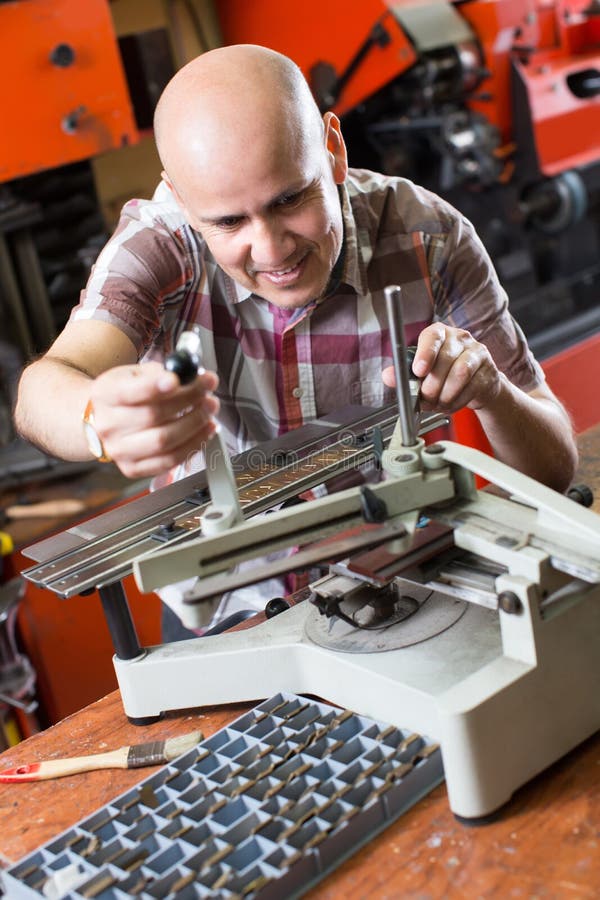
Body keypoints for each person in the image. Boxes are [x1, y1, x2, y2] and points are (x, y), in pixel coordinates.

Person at [14, 44, 578, 638]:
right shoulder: (162, 244)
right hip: (228, 608)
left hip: (402, 580)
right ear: (180, 201)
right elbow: (43, 389)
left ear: (332, 150)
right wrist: (96, 420)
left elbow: (554, 469)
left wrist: (492, 390)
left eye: (289, 200)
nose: (272, 249)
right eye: (229, 222)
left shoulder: (429, 237)